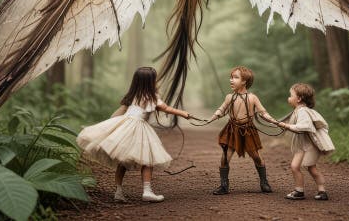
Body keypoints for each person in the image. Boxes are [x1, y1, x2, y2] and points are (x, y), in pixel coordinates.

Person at [76, 66, 190, 203]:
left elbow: (119, 112)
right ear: (150, 82)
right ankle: (147, 191)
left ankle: (118, 191)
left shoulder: (132, 96)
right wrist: (183, 113)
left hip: (125, 126)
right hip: (139, 128)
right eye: (155, 79)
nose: (156, 82)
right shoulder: (152, 98)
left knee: (122, 162)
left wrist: (109, 127)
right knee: (147, 161)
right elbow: (167, 109)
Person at [209, 65, 275, 194]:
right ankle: (224, 185)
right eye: (231, 77)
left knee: (256, 156)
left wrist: (272, 120)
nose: (231, 80)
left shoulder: (252, 97)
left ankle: (264, 182)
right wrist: (213, 117)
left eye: (235, 77)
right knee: (225, 157)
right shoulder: (229, 97)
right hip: (232, 130)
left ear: (244, 81)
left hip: (248, 130)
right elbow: (222, 109)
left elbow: (263, 112)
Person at [276, 83, 335, 200]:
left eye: (290, 95)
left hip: (309, 146)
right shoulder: (298, 110)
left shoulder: (303, 111)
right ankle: (300, 190)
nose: (289, 98)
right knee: (296, 167)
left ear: (298, 99)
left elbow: (305, 126)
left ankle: (321, 190)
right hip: (302, 146)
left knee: (310, 168)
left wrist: (286, 126)